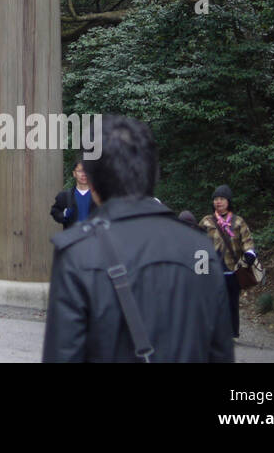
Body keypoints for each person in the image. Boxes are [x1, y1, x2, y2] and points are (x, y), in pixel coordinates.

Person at [43, 115, 233, 362]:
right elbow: (220, 352)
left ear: (93, 183)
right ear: (153, 173)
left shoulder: (77, 255)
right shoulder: (200, 250)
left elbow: (63, 355)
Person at [199, 185, 256, 341]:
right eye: (216, 199)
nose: (218, 202)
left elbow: (247, 242)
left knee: (232, 302)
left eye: (222, 199)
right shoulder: (206, 221)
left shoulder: (238, 222)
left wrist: (249, 255)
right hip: (212, 269)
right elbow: (199, 245)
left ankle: (232, 334)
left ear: (228, 201)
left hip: (232, 269)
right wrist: (201, 269)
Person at [50, 160, 95, 229]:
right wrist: (63, 215)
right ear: (74, 173)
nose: (84, 174)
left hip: (94, 237)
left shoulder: (99, 196)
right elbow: (55, 211)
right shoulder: (65, 195)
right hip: (72, 237)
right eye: (80, 171)